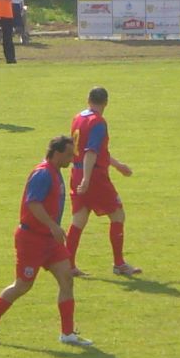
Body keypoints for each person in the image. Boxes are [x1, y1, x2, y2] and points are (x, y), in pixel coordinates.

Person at [0, 134, 93, 348]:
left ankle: (67, 333)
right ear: (57, 153)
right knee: (23, 285)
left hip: (50, 240)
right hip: (31, 239)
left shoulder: (56, 172)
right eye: (69, 154)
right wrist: (53, 225)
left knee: (67, 278)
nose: (72, 157)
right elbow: (33, 204)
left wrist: (53, 230)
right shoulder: (42, 174)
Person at [66, 86, 140, 278]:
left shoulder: (78, 118)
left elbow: (90, 150)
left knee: (79, 219)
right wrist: (88, 179)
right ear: (106, 102)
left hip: (76, 173)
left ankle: (68, 264)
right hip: (94, 177)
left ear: (88, 99)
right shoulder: (98, 122)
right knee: (118, 215)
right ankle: (119, 264)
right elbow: (91, 152)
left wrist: (116, 165)